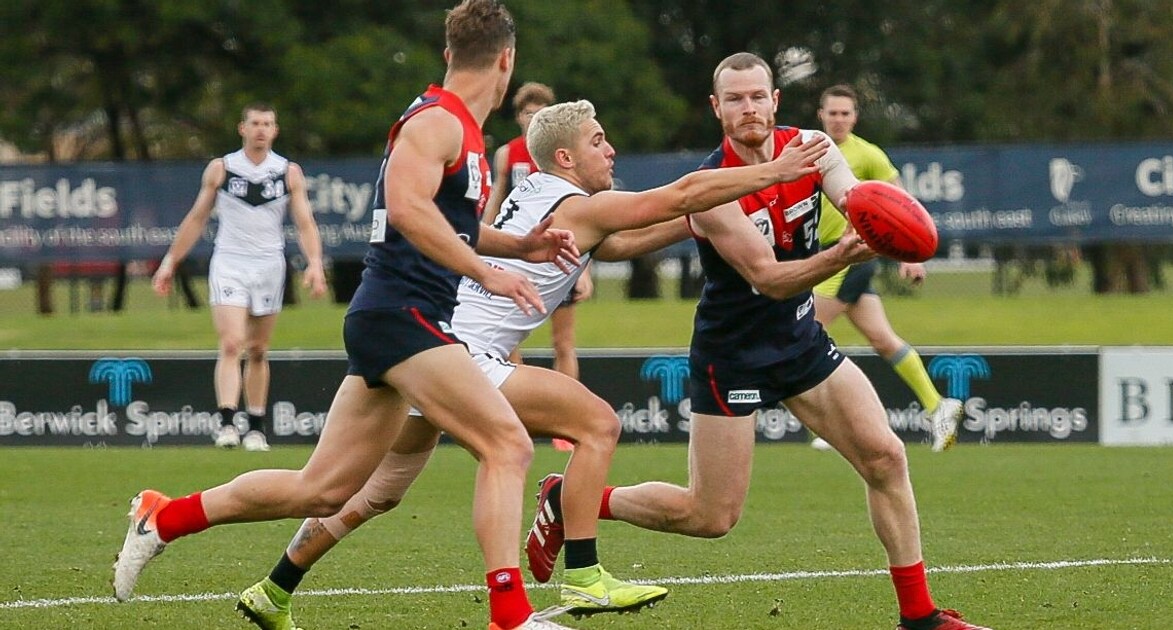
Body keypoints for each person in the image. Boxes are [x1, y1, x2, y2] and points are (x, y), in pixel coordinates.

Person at [233, 98, 832, 630]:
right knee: (597, 424)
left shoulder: (549, 196)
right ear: (567, 157)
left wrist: (706, 217)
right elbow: (675, 196)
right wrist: (771, 174)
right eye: (599, 141)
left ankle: (272, 589)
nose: (611, 148)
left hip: (430, 347)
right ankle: (583, 573)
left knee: (374, 494)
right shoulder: (576, 203)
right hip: (460, 355)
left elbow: (627, 238)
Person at [114, 3, 581, 629]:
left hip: (399, 319)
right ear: (508, 60)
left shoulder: (462, 131)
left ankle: (163, 516)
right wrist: (485, 271)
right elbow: (408, 211)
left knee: (324, 489)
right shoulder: (440, 123)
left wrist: (519, 246)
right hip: (402, 316)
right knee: (507, 444)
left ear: (450, 53)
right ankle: (510, 615)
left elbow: (451, 223)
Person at [525, 53, 992, 630]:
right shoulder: (712, 188)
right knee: (710, 515)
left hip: (800, 341)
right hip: (733, 355)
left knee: (886, 457)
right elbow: (769, 279)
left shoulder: (814, 146)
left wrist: (866, 213)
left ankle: (920, 617)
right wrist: (845, 252)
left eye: (758, 96)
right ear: (717, 108)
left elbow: (848, 193)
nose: (749, 108)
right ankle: (570, 503)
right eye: (735, 99)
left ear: (775, 101)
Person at [151, 103, 328, 452]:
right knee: (232, 342)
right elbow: (197, 218)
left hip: (269, 265)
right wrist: (170, 261)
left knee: (259, 349)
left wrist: (316, 263)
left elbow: (305, 222)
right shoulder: (222, 169)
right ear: (242, 128)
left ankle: (257, 426)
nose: (261, 129)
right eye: (255, 123)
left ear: (275, 130)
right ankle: (228, 422)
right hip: (230, 262)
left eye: (267, 123)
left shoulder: (288, 173)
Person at [811, 83, 961, 453]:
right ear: (821, 115)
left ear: (855, 117)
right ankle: (938, 405)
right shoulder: (812, 150)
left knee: (805, 334)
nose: (839, 119)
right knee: (883, 340)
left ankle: (838, 425)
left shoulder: (868, 155)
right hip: (827, 255)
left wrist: (910, 256)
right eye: (833, 113)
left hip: (850, 256)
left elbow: (902, 207)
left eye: (846, 113)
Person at [485, 82, 593, 431]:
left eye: (539, 112)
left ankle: (567, 421)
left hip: (559, 256)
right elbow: (497, 203)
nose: (531, 119)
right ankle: (515, 417)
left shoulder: (567, 155)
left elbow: (586, 219)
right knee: (507, 342)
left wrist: (584, 271)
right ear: (517, 117)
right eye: (526, 113)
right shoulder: (508, 154)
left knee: (563, 342)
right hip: (518, 258)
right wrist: (481, 241)